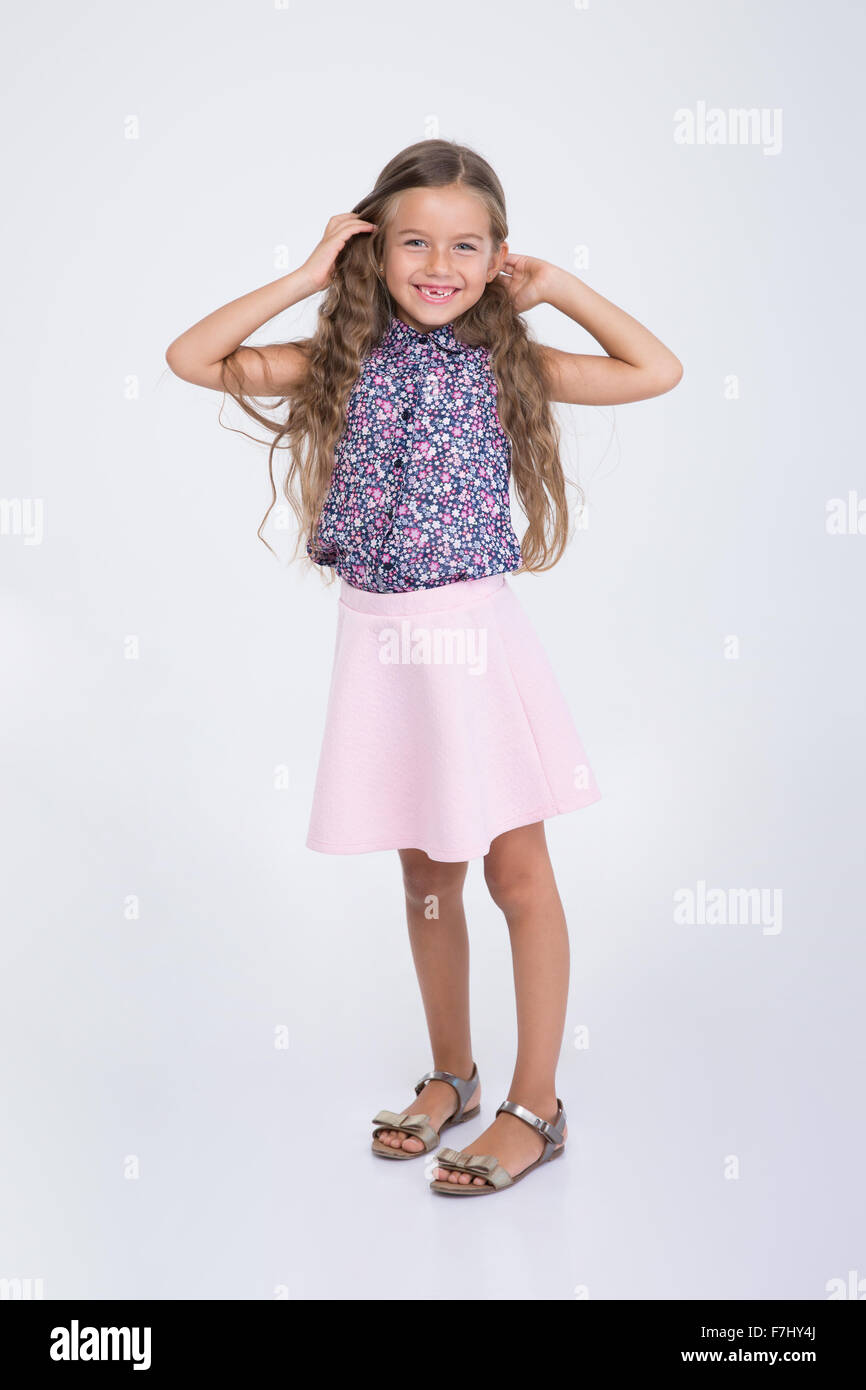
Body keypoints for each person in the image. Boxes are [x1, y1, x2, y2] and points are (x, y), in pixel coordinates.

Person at [165, 138, 682, 1197]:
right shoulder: (340, 358)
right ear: (374, 247)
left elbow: (654, 370)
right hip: (380, 646)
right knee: (426, 877)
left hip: (473, 646)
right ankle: (452, 1073)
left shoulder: (506, 364)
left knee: (514, 874)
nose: (438, 265)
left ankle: (535, 1106)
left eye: (465, 245)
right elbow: (191, 356)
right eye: (413, 242)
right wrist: (307, 274)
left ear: (497, 257)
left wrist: (560, 286)